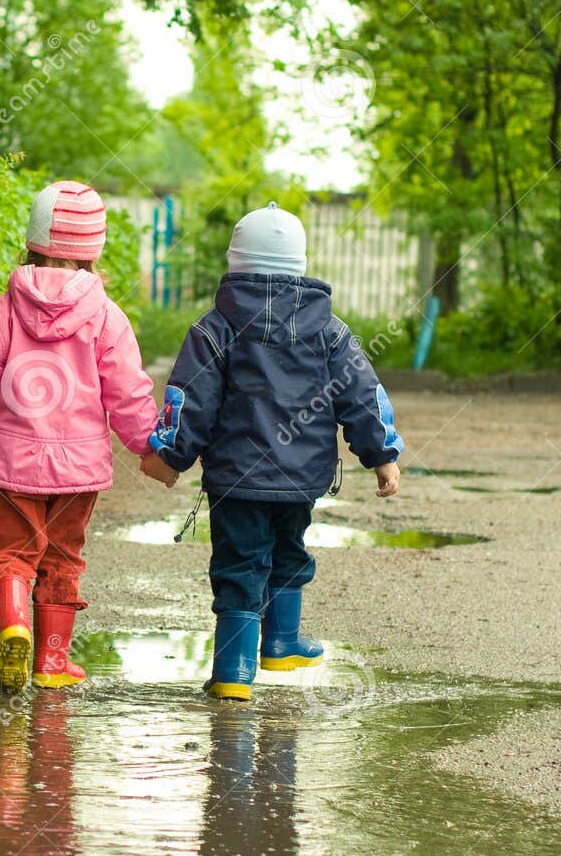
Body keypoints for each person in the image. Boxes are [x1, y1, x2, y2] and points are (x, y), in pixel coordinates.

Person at [142, 202, 403, 702]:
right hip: (301, 477)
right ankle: (282, 642)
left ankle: (234, 673)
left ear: (235, 261)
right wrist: (382, 454)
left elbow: (189, 399)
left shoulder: (214, 328)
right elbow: (363, 395)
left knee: (240, 563)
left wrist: (169, 455)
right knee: (289, 549)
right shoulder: (330, 332)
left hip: (236, 479)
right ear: (300, 265)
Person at [0, 181, 158, 692]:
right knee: (63, 559)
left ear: (32, 242)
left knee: (10, 555)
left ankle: (13, 626)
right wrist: (150, 446)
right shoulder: (106, 316)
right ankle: (52, 662)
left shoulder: (1, 312)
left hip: (13, 467)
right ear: (92, 252)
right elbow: (127, 392)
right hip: (78, 472)